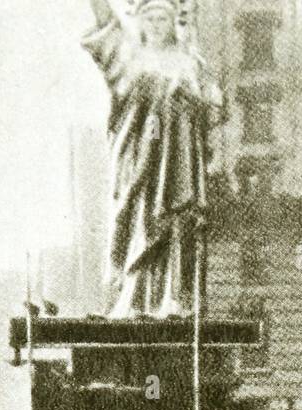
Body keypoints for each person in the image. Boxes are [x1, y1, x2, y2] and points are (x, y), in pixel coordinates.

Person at [83, 0, 222, 318]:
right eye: (151, 18)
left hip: (180, 159)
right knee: (140, 221)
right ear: (140, 22)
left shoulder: (189, 60)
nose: (157, 25)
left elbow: (215, 105)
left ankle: (176, 297)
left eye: (163, 18)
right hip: (140, 162)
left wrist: (188, 100)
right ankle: (132, 299)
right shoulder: (130, 55)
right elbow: (106, 25)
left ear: (173, 21)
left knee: (179, 224)